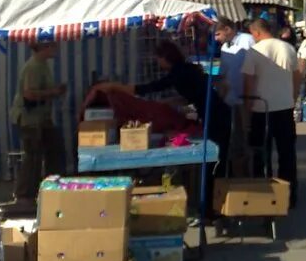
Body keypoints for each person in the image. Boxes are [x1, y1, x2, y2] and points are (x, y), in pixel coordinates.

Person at [91, 39, 232, 199]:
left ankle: (214, 201)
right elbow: (194, 94)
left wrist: (114, 86)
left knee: (214, 160)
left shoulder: (177, 73)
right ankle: (215, 198)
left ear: (165, 58)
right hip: (216, 113)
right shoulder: (186, 69)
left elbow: (146, 89)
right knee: (216, 160)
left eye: (158, 59)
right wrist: (168, 103)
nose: (158, 62)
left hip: (216, 116)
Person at [242, 18, 301, 207]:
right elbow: (297, 76)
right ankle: (289, 195)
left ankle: (262, 195)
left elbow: (248, 83)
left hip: (262, 109)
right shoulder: (288, 48)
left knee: (261, 154)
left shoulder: (254, 52)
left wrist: (247, 110)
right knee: (287, 153)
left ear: (256, 32)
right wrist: (293, 97)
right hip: (285, 107)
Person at [10, 42, 67, 202]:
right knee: (33, 157)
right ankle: (24, 194)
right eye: (52, 46)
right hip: (30, 119)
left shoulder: (43, 65)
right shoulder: (34, 67)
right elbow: (29, 94)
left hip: (41, 118)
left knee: (54, 149)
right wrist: (53, 92)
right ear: (43, 48)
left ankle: (51, 186)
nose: (55, 49)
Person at [215, 18, 255, 174]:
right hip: (231, 99)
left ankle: (249, 172)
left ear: (227, 29)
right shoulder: (225, 47)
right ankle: (237, 172)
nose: (216, 38)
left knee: (247, 136)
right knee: (235, 138)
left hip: (246, 98)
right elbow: (223, 74)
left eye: (218, 34)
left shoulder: (247, 41)